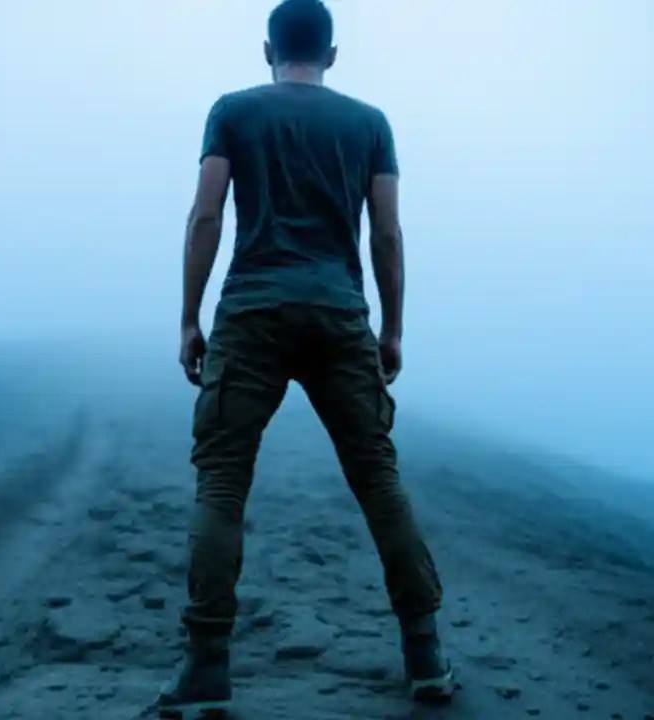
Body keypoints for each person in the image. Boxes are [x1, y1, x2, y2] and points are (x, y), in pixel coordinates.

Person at [158, 0, 454, 714]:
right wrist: (392, 329)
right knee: (378, 480)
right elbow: (386, 233)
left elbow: (206, 214)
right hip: (337, 311)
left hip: (252, 310)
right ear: (333, 53)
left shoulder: (232, 110)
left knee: (223, 484)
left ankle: (207, 666)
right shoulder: (368, 123)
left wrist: (189, 319)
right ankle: (426, 657)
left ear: (268, 50)